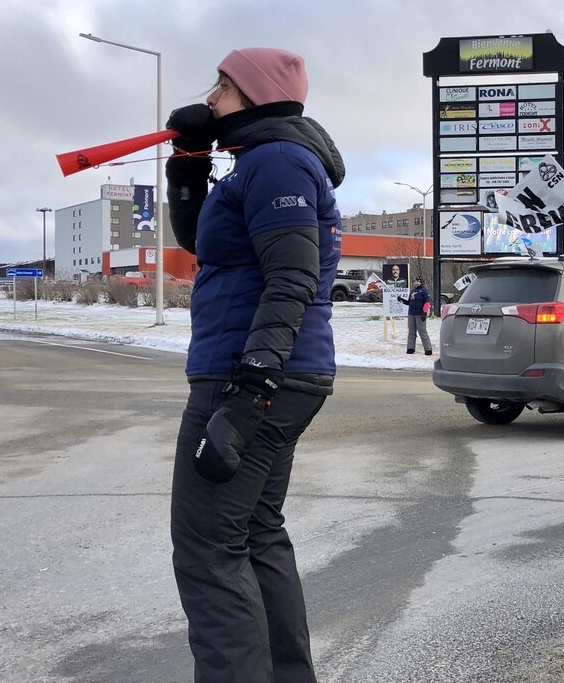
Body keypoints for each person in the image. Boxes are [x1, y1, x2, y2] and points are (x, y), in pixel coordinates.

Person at [163, 47, 345, 683]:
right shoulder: (257, 163)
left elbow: (292, 275)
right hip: (267, 372)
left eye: (223, 87)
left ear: (258, 95)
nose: (211, 99)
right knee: (256, 533)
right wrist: (188, 166)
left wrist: (250, 389)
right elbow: (204, 244)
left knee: (209, 549)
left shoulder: (276, 160)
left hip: (249, 375)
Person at [399, 277, 433, 355]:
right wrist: (401, 300)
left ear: (420, 281)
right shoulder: (413, 291)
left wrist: (424, 313)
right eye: (413, 281)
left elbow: (427, 302)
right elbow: (409, 302)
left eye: (415, 281)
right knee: (411, 332)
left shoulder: (424, 290)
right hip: (411, 314)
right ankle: (410, 348)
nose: (414, 282)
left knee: (422, 332)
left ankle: (428, 348)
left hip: (420, 314)